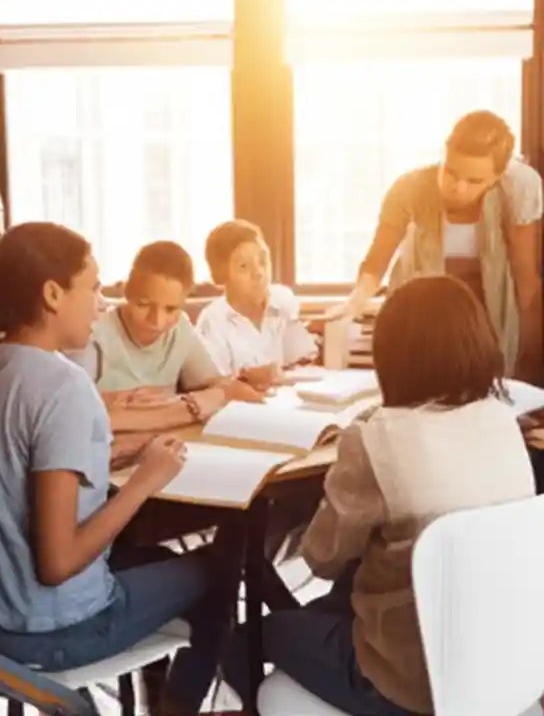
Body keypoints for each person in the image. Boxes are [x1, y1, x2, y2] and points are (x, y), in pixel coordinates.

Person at [0, 222, 242, 716]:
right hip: (51, 631)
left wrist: (111, 457)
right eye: (94, 287)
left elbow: (21, 472)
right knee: (222, 569)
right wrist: (145, 481)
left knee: (152, 555)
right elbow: (57, 562)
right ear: (53, 294)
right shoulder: (63, 387)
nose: (102, 302)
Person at [222, 275, 536, 715]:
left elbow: (321, 559)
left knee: (246, 639)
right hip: (501, 669)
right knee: (341, 600)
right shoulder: (504, 423)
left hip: (406, 681)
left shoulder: (376, 438)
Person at [330, 110, 544, 383]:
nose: (458, 187)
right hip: (423, 320)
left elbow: (526, 282)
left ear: (498, 177)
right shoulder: (410, 188)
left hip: (487, 326)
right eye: (451, 172)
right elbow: (376, 261)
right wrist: (355, 302)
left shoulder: (517, 190)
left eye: (474, 181)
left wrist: (531, 358)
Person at [72, 241, 265, 437]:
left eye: (171, 309)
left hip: (167, 445)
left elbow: (210, 383)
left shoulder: (180, 327)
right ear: (127, 291)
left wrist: (243, 381)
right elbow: (76, 412)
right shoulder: (93, 333)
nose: (157, 321)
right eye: (144, 305)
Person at [196, 219, 318, 391]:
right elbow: (214, 387)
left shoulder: (283, 299)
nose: (259, 273)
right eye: (244, 266)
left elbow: (302, 358)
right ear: (221, 275)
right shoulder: (212, 321)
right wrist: (245, 379)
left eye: (263, 261)